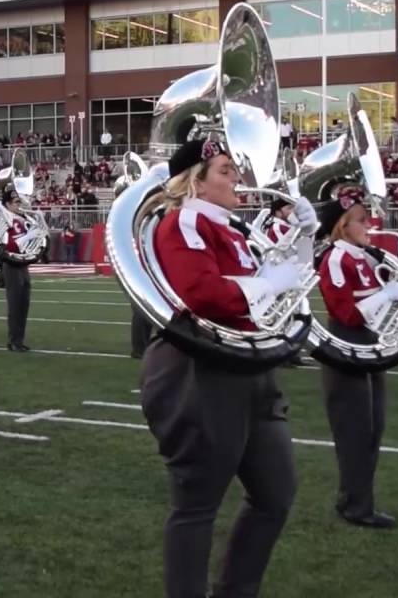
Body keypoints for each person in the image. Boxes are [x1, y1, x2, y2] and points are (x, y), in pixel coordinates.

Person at [139, 137, 316, 598]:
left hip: (250, 365)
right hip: (200, 369)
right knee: (196, 507)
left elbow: (283, 290)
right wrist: (264, 286)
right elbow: (201, 293)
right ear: (195, 182)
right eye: (224, 170)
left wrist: (303, 241)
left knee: (276, 494)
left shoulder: (231, 228)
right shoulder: (185, 220)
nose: (236, 177)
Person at [315, 185, 398, 529]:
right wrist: (386, 294)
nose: (369, 225)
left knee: (373, 428)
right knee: (355, 432)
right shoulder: (335, 258)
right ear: (343, 226)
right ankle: (355, 505)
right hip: (346, 345)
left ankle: (358, 499)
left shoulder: (365, 256)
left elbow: (382, 297)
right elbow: (346, 313)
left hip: (371, 343)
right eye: (361, 220)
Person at [1, 184, 36, 352]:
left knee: (24, 304)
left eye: (18, 202)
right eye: (15, 202)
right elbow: (8, 245)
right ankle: (13, 340)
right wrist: (28, 238)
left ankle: (19, 340)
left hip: (23, 264)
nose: (18, 205)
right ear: (7, 204)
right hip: (12, 264)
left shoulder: (21, 219)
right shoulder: (4, 220)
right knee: (15, 305)